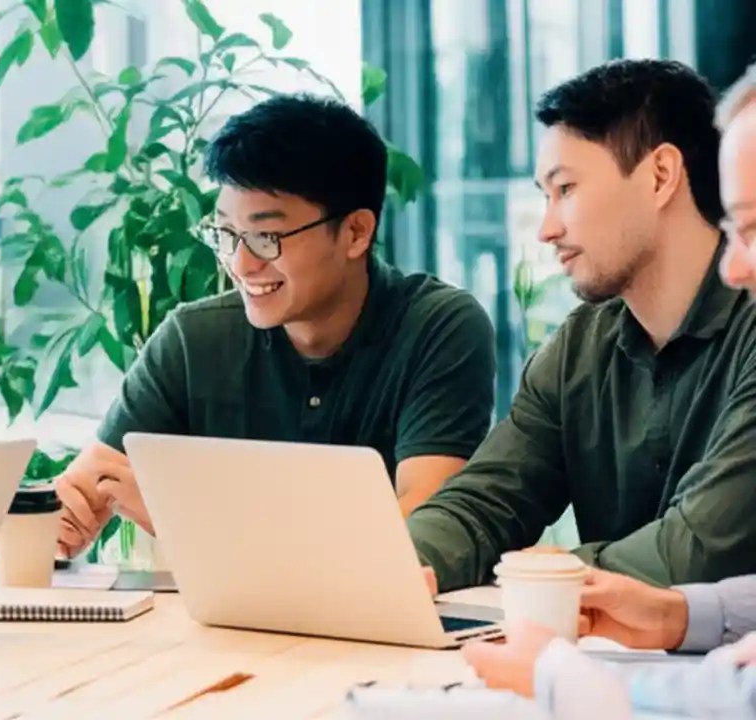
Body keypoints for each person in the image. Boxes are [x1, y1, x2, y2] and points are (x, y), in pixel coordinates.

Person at [56, 93, 497, 557]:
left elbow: (423, 525)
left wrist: (190, 521)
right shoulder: (193, 339)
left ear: (355, 233)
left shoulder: (439, 329)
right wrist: (61, 518)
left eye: (267, 237)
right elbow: (91, 484)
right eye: (225, 234)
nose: (241, 264)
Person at [460, 62, 756, 719]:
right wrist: (399, 571)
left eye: (564, 189)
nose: (545, 229)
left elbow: (697, 551)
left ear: (659, 175)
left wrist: (548, 579)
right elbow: (485, 499)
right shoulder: (579, 344)